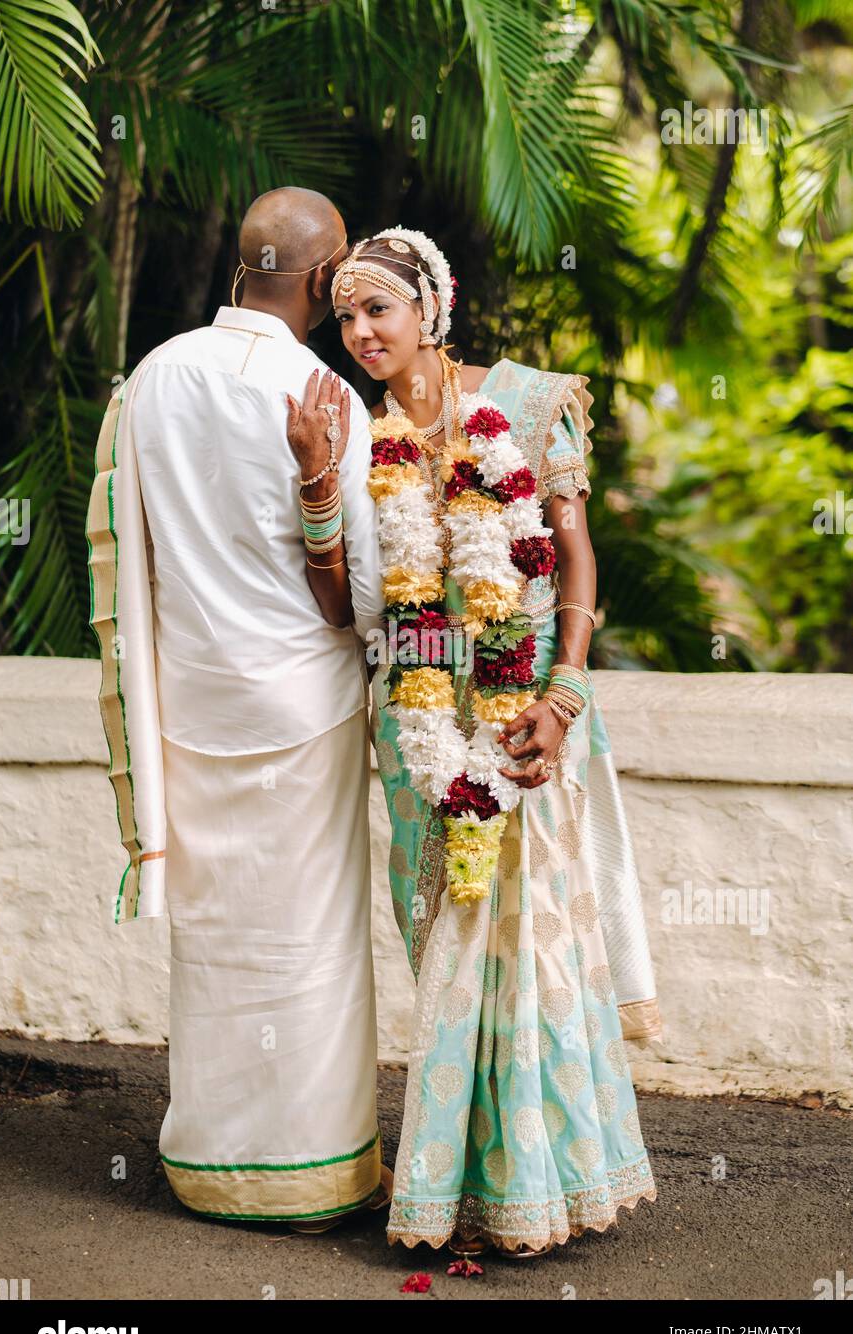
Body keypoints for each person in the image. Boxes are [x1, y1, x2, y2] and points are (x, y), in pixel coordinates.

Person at [293, 226, 663, 1257]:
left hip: (527, 711)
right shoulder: (360, 439)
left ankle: (533, 1184)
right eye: (345, 316)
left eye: (378, 308)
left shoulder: (533, 405)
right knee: (448, 939)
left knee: (527, 945)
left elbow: (577, 559)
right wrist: (320, 490)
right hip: (416, 716)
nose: (360, 331)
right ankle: (460, 1186)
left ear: (430, 307)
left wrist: (562, 693)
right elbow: (347, 613)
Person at [85, 187, 391, 1229]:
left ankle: (212, 1158)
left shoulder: (151, 378)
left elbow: (136, 562)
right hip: (303, 711)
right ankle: (314, 1168)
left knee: (216, 945)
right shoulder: (326, 395)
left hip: (191, 706)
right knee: (308, 941)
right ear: (322, 279)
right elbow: (355, 591)